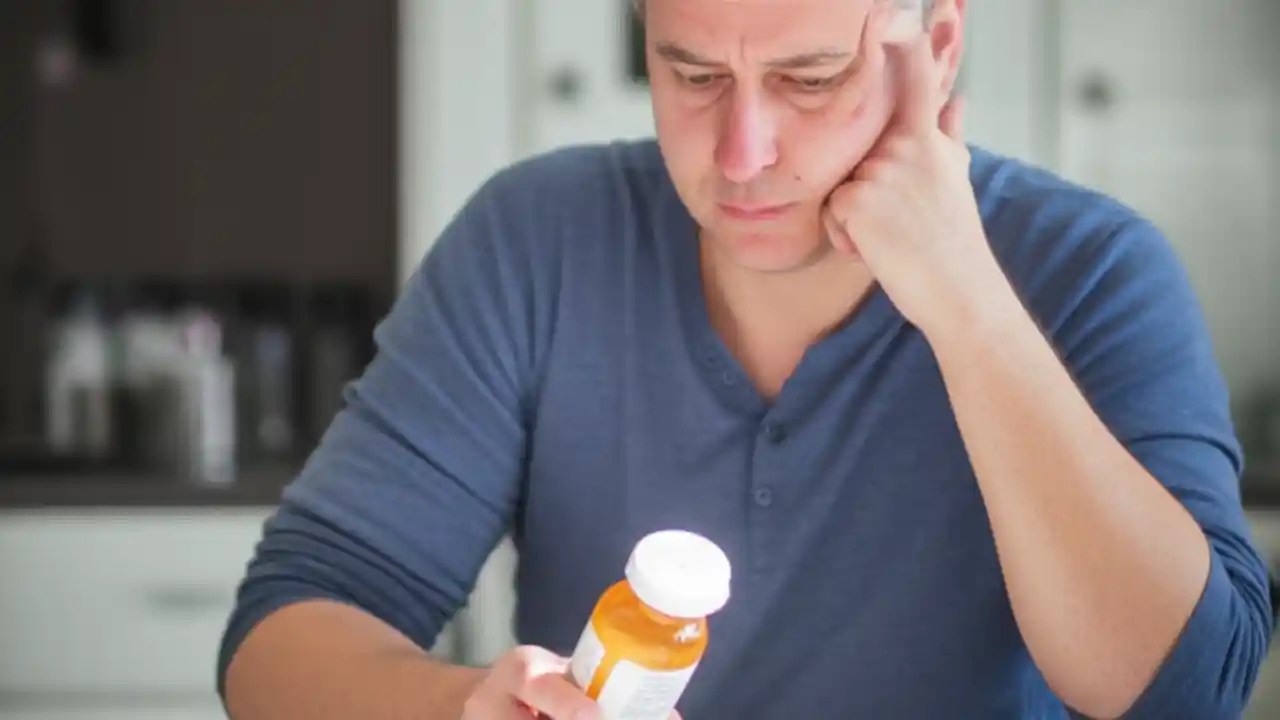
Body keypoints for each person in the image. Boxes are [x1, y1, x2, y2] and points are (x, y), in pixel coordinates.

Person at [217, 0, 1275, 717]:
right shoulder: (538, 240)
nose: (738, 156)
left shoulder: (1092, 269)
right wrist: (461, 708)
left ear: (936, 43)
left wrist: (967, 304)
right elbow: (285, 631)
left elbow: (1186, 691)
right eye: (689, 73)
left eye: (808, 78)